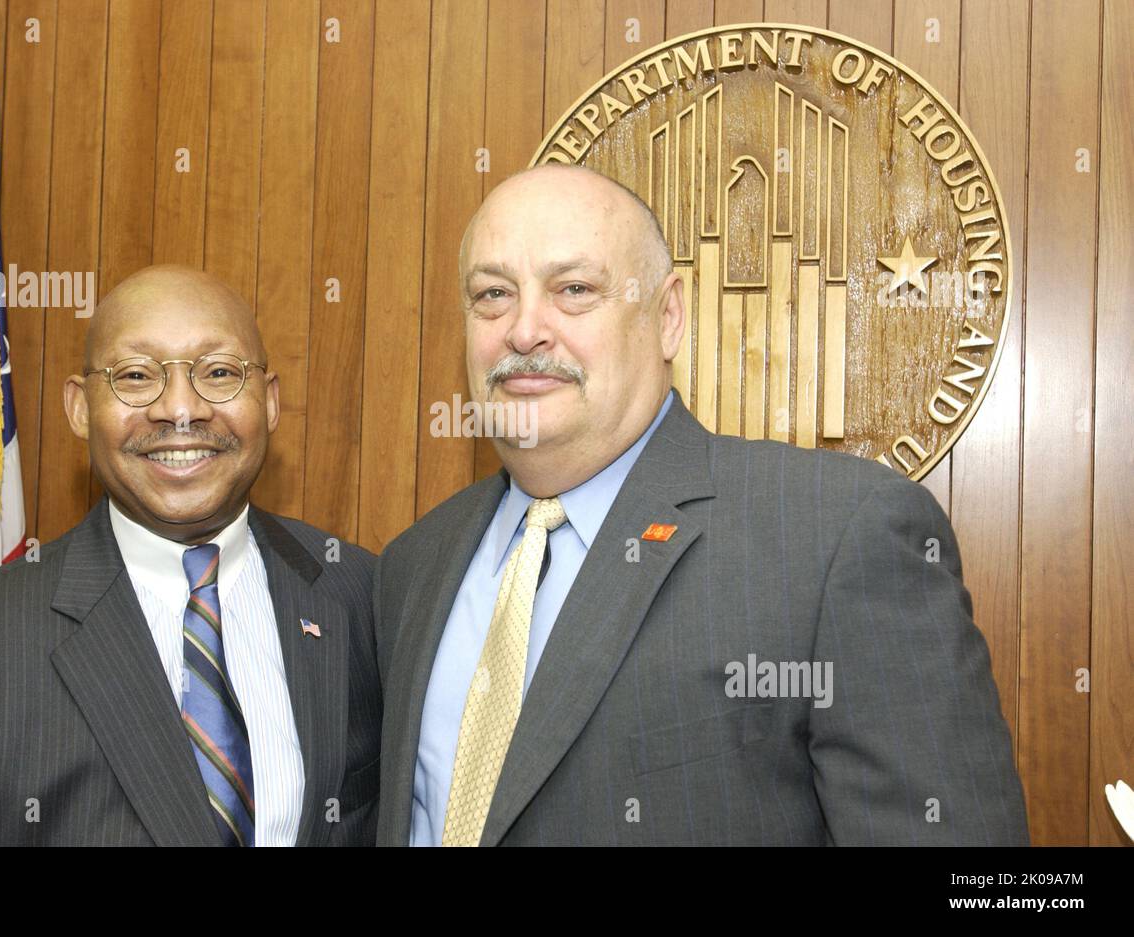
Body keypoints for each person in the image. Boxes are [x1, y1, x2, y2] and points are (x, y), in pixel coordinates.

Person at [374, 165, 1029, 846]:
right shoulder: (410, 568)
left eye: (573, 289)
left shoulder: (836, 540)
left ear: (667, 317)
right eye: (492, 295)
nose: (524, 329)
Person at [0, 265, 380, 846]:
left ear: (270, 402)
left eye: (220, 372)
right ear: (79, 407)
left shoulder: (364, 596)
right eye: (136, 376)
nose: (180, 410)